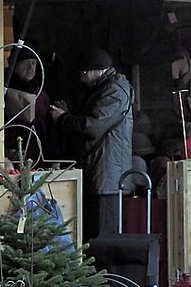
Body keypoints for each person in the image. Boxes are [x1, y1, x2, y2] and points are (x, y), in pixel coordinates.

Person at [49, 48, 134, 242]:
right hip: (103, 175)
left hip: (107, 180)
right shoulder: (108, 89)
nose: (80, 77)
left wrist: (63, 119)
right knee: (97, 235)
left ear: (94, 71)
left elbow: (92, 126)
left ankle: (105, 273)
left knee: (103, 238)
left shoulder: (114, 92)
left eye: (83, 73)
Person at [4, 47, 54, 164]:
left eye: (34, 63)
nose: (31, 68)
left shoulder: (40, 93)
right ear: (15, 64)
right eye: (26, 63)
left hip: (38, 156)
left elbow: (47, 129)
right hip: (11, 158)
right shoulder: (4, 91)